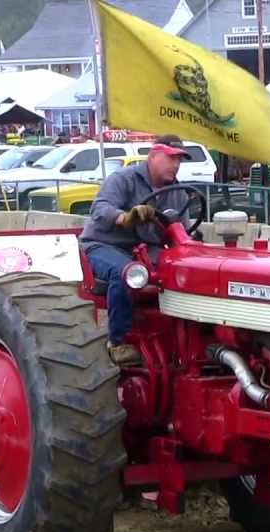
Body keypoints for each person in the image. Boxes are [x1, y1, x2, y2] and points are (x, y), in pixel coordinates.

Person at [80, 134, 191, 366]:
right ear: (153, 156)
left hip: (147, 248)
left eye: (180, 160)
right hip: (105, 244)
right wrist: (124, 217)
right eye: (171, 159)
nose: (176, 165)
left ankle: (185, 339)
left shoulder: (178, 192)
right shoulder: (123, 179)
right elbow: (99, 209)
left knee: (187, 270)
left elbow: (184, 230)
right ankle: (118, 341)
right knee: (128, 272)